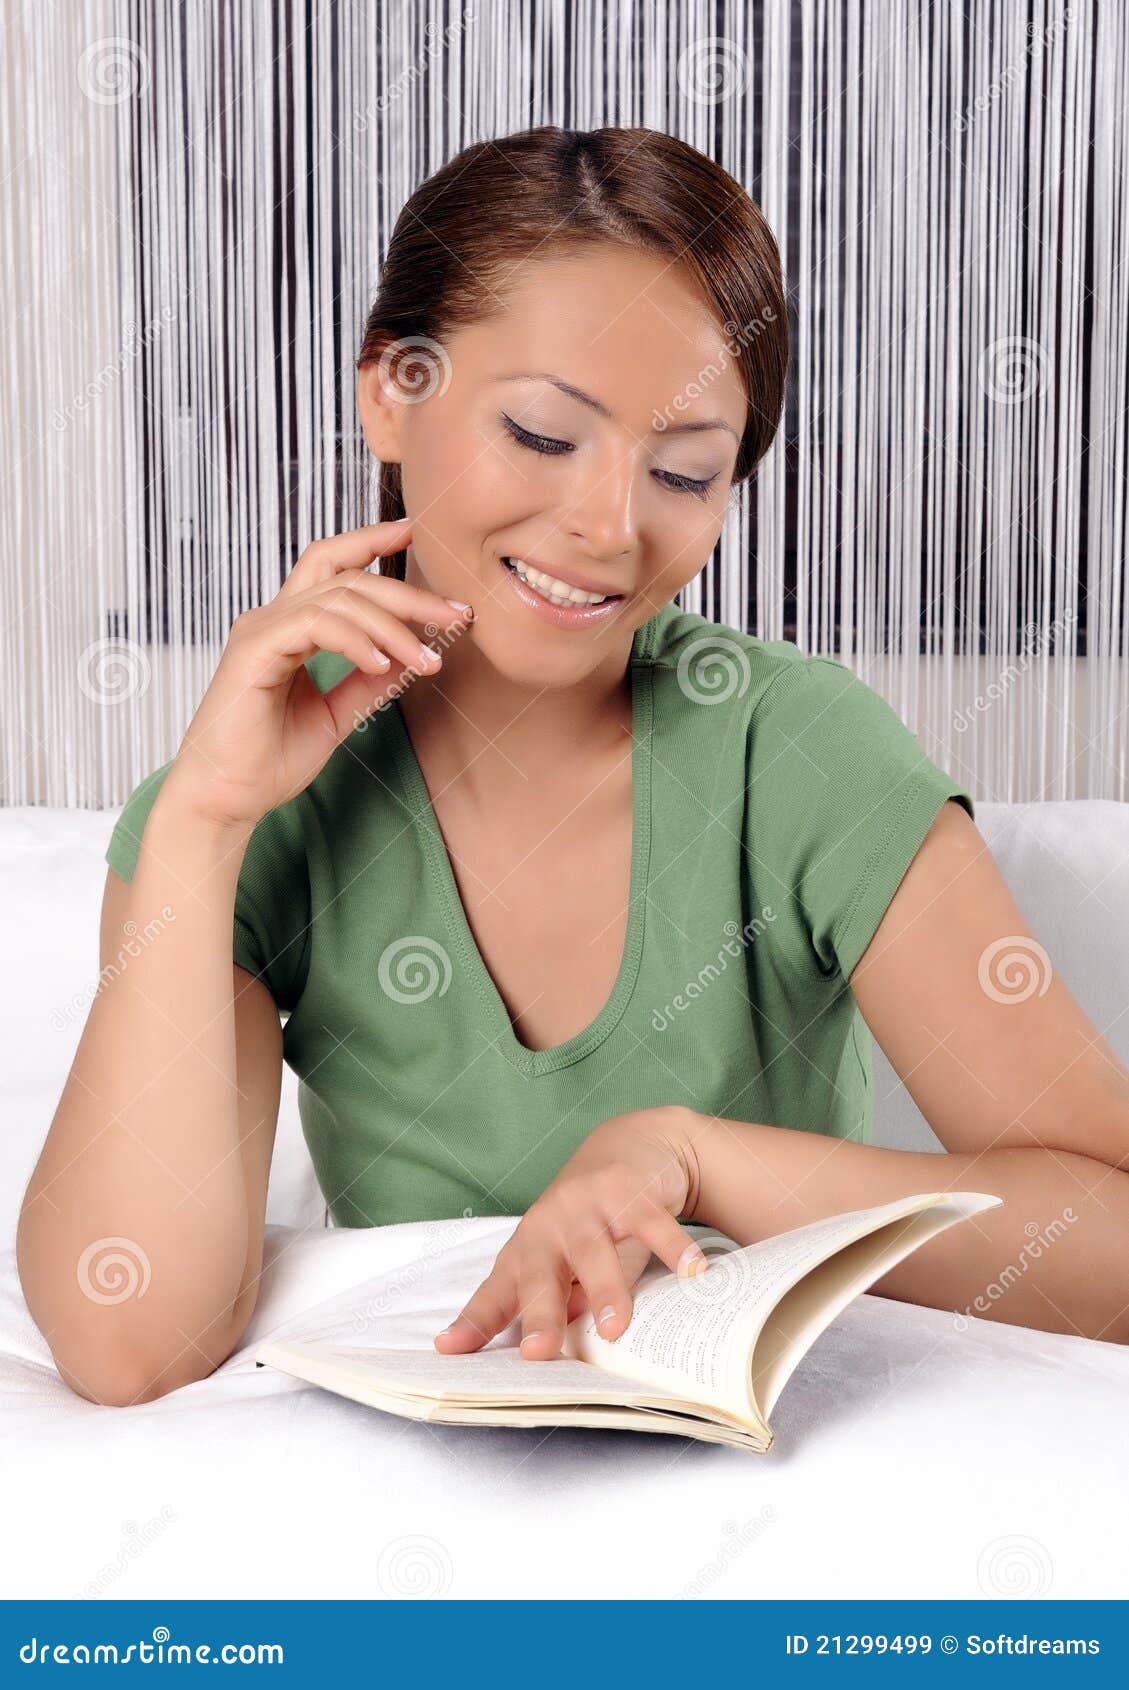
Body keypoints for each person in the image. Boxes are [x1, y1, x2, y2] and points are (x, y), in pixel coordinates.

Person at [19, 127, 1129, 1408]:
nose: (608, 526)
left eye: (683, 471)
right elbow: (127, 1342)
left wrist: (695, 1162)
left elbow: (1106, 1239)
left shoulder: (797, 750)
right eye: (544, 434)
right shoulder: (252, 809)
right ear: (390, 389)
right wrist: (205, 821)